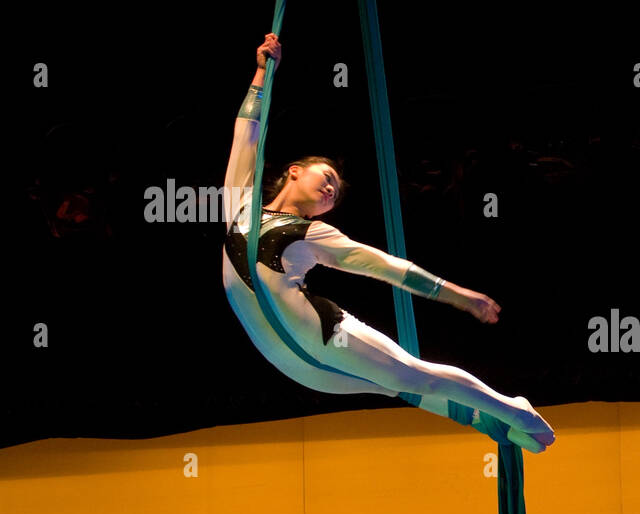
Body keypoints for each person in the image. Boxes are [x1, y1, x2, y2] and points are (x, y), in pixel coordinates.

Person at [222, 33, 555, 452]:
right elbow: (245, 136)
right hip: (289, 362)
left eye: (335, 193)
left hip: (327, 336)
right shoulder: (241, 203)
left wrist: (458, 297)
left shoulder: (314, 234)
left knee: (413, 376)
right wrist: (261, 73)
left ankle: (515, 412)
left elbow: (384, 266)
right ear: (293, 171)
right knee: (397, 388)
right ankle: (486, 422)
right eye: (325, 178)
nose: (330, 190)